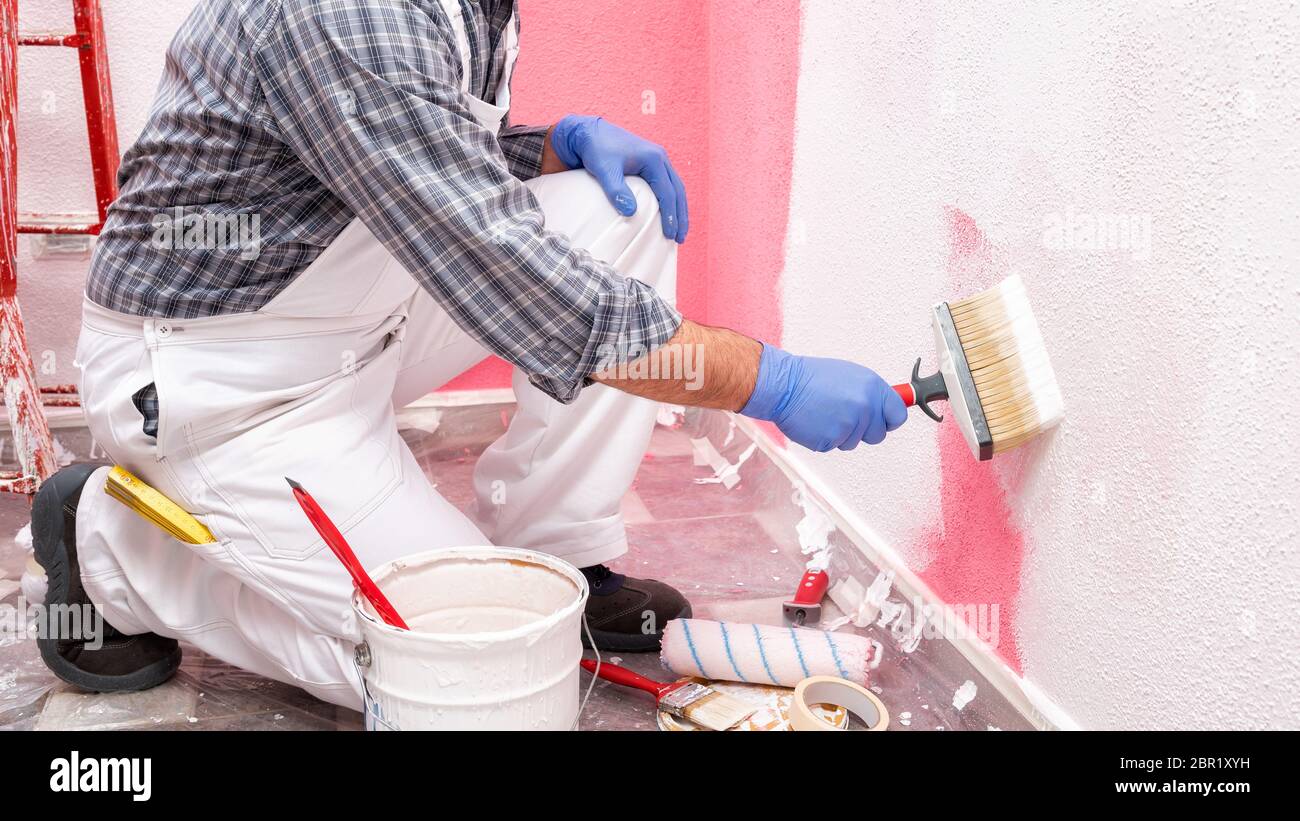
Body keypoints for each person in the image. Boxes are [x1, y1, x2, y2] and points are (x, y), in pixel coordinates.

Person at [33, 0, 906, 709]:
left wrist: (547, 147)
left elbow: (406, 154)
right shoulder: (346, 14)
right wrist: (770, 382)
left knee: (618, 208)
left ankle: (562, 553)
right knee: (475, 675)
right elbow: (522, 283)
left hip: (345, 320)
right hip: (225, 378)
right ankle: (120, 554)